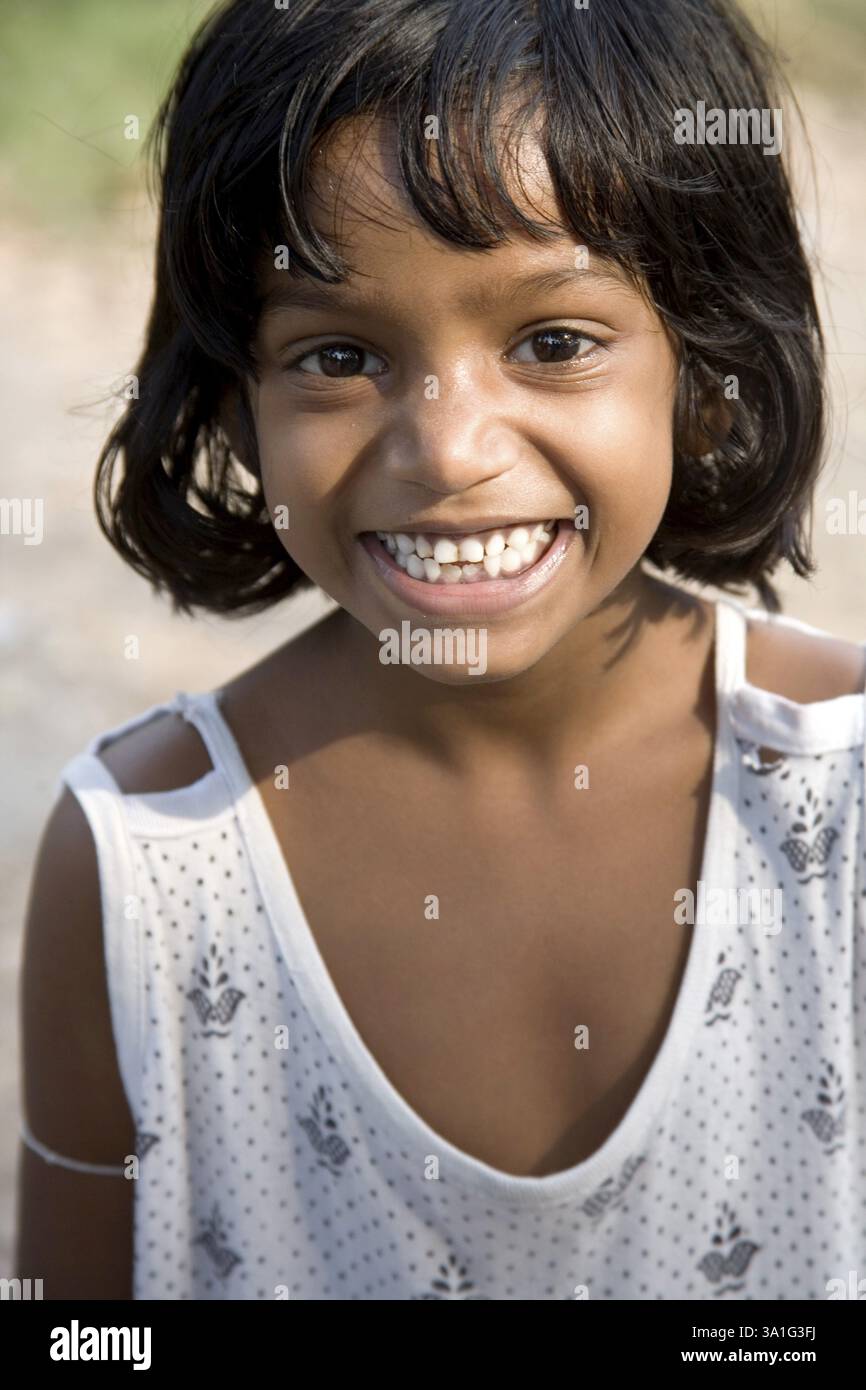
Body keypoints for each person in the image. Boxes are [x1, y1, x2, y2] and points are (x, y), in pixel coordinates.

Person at [16, 0, 866, 1300]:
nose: (448, 448)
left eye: (552, 341)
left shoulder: (843, 804)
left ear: (703, 374)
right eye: (340, 355)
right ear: (235, 403)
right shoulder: (142, 865)